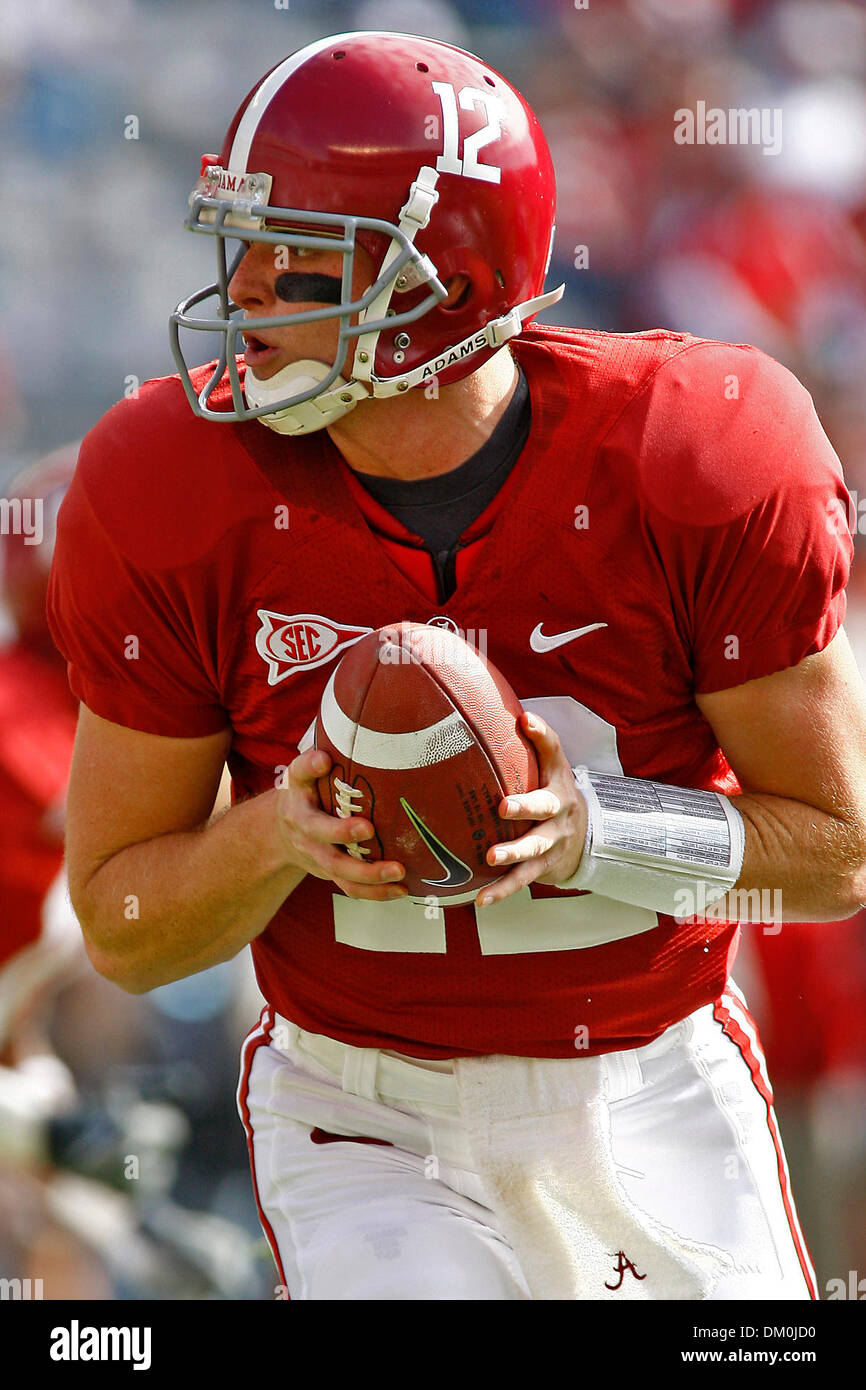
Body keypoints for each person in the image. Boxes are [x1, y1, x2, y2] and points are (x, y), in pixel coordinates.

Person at [47, 31, 866, 1300]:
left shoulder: (694, 456)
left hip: (652, 1081)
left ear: (447, 280)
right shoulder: (172, 486)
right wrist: (277, 835)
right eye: (245, 246)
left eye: (302, 259)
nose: (249, 294)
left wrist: (597, 827)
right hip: (363, 1114)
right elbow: (126, 927)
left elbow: (836, 851)